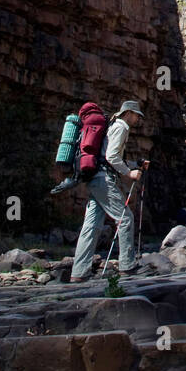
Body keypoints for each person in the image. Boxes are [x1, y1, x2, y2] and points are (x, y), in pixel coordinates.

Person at [70, 100, 147, 280]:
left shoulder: (111, 125)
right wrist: (129, 173)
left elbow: (107, 156)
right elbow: (111, 156)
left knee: (91, 226)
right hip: (103, 180)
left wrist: (135, 164)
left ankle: (79, 273)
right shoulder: (121, 126)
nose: (137, 119)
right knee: (125, 218)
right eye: (136, 115)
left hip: (94, 178)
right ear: (128, 113)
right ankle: (127, 266)